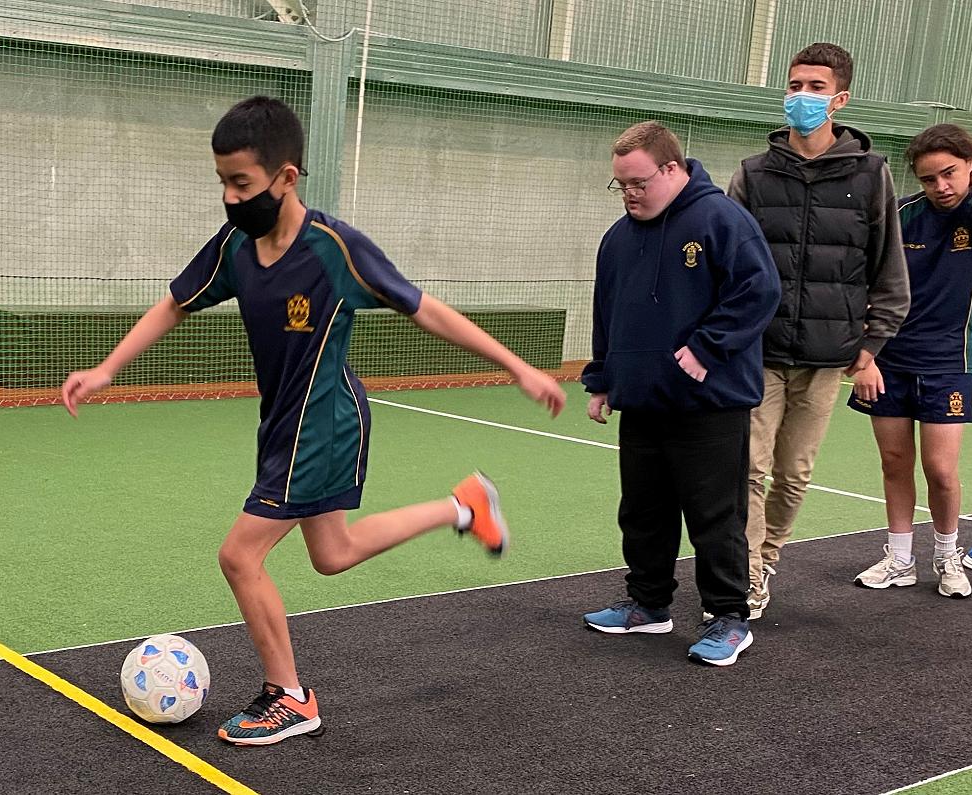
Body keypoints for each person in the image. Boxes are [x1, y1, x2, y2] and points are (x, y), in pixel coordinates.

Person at [60, 96, 566, 746]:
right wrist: (107, 369)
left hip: (324, 423)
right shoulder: (236, 246)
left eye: (241, 182)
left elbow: (426, 309)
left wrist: (516, 366)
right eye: (222, 182)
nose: (230, 196)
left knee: (239, 556)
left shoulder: (334, 249)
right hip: (285, 424)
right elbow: (175, 303)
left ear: (286, 177)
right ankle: (462, 505)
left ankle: (290, 696)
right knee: (334, 552)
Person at [580, 121, 780, 667]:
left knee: (715, 516)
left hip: (710, 404)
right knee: (643, 511)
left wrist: (706, 348)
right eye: (620, 185)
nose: (630, 194)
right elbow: (608, 314)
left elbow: (759, 291)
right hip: (643, 402)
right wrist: (601, 379)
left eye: (639, 182)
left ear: (673, 169)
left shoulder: (722, 219)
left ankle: (729, 617)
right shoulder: (618, 238)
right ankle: (648, 605)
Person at [727, 43, 909, 618]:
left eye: (813, 87)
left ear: (839, 99)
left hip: (829, 356)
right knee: (748, 469)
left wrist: (872, 343)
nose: (800, 97)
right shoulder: (753, 174)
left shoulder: (871, 174)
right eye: (794, 85)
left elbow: (888, 267)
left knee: (794, 473)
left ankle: (769, 554)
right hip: (758, 352)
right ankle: (749, 574)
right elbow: (726, 262)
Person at [850, 124, 972, 596]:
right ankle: (900, 558)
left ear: (970, 165)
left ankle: (949, 557)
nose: (941, 187)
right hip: (889, 361)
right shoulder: (901, 216)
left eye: (950, 173)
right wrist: (864, 358)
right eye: (929, 179)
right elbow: (860, 287)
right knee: (894, 461)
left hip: (948, 362)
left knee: (941, 470)